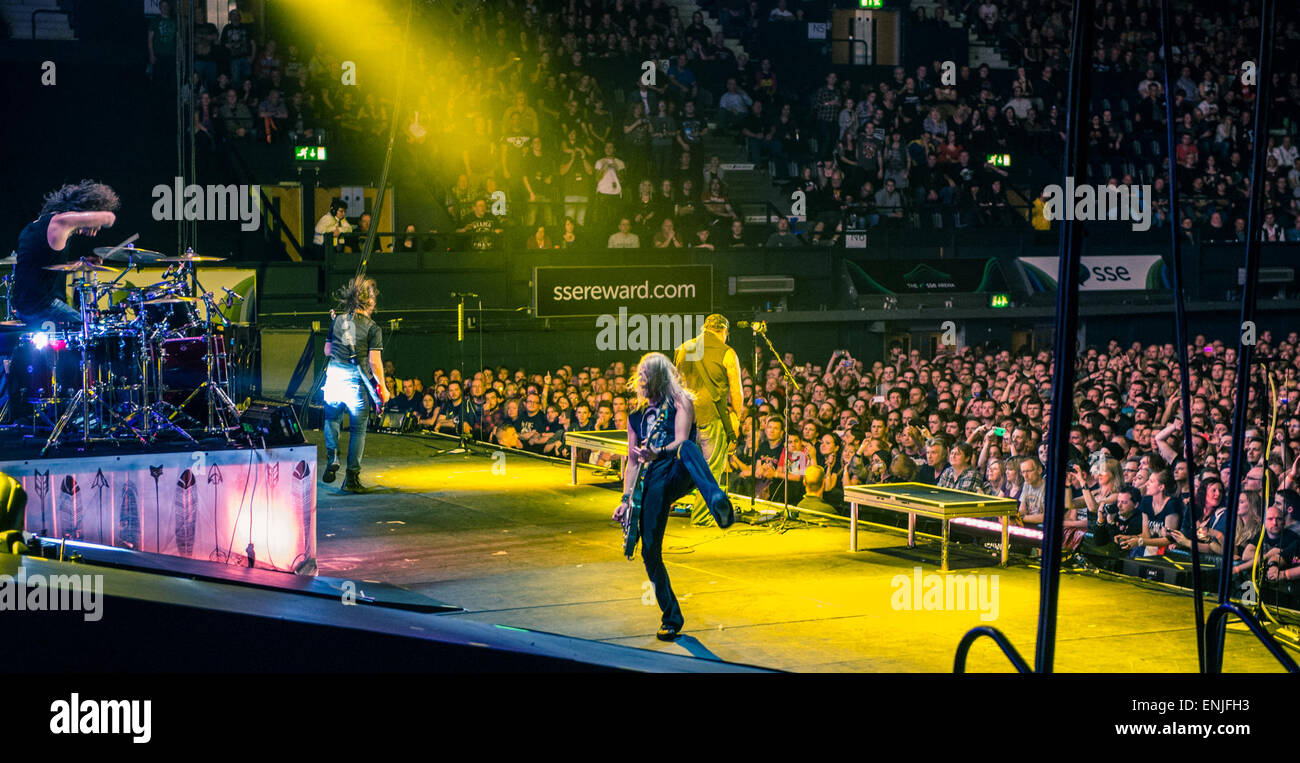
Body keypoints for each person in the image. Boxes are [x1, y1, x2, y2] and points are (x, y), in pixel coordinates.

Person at [614, 352, 734, 641]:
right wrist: (626, 500)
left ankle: (715, 498)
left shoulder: (681, 402)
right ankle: (671, 617)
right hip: (652, 481)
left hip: (678, 469)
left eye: (645, 374)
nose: (640, 380)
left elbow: (681, 439)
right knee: (649, 551)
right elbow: (632, 462)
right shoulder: (635, 418)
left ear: (657, 376)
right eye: (639, 374)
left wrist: (658, 452)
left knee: (689, 448)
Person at [12, 180, 120, 327]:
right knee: (92, 331)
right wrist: (91, 221)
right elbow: (109, 218)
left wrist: (79, 264)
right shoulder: (61, 222)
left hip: (24, 306)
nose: (96, 230)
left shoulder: (40, 224)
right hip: (43, 307)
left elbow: (42, 266)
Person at [321, 276, 390, 491]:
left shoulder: (338, 320)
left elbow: (328, 351)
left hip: (333, 377)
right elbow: (374, 362)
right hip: (354, 382)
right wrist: (384, 389)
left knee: (332, 417)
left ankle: (332, 454)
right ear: (371, 302)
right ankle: (351, 478)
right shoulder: (373, 328)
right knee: (358, 429)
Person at [675, 314, 743, 526]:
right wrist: (737, 418)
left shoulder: (683, 348)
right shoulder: (727, 352)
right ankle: (703, 517)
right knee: (711, 468)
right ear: (724, 332)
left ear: (705, 328)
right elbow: (736, 390)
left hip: (685, 417)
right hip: (711, 416)